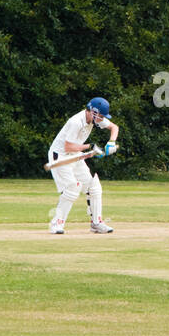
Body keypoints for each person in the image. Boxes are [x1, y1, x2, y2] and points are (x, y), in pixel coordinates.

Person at [47, 97, 119, 234]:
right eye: (100, 116)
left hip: (75, 155)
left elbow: (114, 127)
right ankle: (56, 223)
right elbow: (68, 147)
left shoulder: (95, 118)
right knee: (72, 187)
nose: (101, 120)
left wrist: (111, 142)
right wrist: (90, 147)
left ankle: (96, 223)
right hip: (60, 156)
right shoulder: (76, 122)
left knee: (93, 185)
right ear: (93, 112)